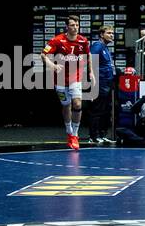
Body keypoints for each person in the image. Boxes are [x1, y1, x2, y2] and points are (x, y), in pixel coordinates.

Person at [41, 16, 92, 150]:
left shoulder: (83, 40)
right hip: (60, 80)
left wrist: (91, 72)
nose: (75, 27)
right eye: (72, 25)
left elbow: (88, 55)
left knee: (77, 103)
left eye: (77, 25)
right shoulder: (57, 40)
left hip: (76, 78)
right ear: (67, 27)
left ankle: (75, 134)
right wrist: (52, 65)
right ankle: (69, 131)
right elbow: (43, 55)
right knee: (66, 105)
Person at [86, 25, 117, 144]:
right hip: (99, 83)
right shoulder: (97, 46)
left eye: (112, 33)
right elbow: (90, 61)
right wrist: (92, 78)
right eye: (109, 33)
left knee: (105, 110)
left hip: (107, 83)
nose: (112, 35)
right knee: (97, 110)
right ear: (101, 34)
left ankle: (102, 134)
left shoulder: (105, 47)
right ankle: (93, 136)